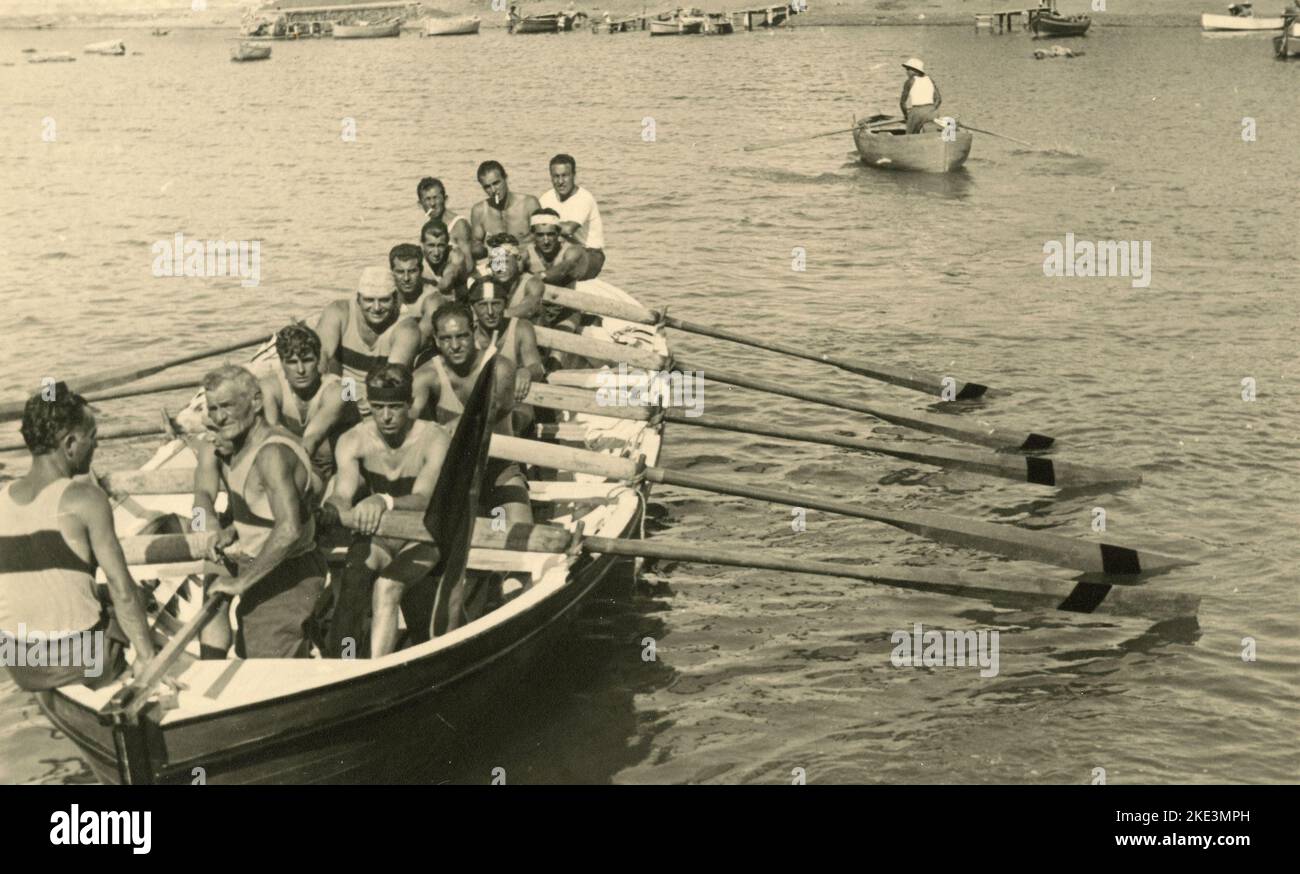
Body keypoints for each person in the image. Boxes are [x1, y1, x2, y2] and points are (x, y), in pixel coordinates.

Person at [0, 385, 157, 691]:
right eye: (93, 436)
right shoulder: (87, 499)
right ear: (70, 443)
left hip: (21, 665)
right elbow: (120, 587)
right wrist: (147, 656)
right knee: (136, 596)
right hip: (85, 663)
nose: (96, 445)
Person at [193, 365, 326, 659]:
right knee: (247, 643)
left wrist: (242, 582)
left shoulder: (271, 454)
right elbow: (201, 498)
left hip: (289, 571)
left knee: (265, 668)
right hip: (261, 560)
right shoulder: (229, 447)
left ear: (255, 402)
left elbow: (289, 529)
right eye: (212, 409)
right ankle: (211, 665)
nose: (218, 418)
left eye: (226, 406)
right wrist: (209, 526)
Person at [322, 364, 450, 658]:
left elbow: (424, 497)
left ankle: (374, 672)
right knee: (353, 581)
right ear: (368, 404)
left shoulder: (434, 438)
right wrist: (330, 509)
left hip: (423, 536)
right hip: (381, 537)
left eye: (395, 407)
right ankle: (344, 660)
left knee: (386, 586)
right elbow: (342, 494)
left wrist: (384, 500)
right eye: (378, 407)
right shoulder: (353, 440)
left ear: (409, 404)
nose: (386, 416)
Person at [411, 305, 532, 604]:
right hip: (455, 479)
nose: (455, 346)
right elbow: (408, 426)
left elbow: (484, 423)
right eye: (447, 338)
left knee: (519, 548)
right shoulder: (426, 376)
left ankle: (511, 584)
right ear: (437, 342)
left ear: (475, 332)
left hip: (499, 474)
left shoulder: (500, 368)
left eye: (462, 336)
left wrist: (441, 429)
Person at [315, 265, 423, 416]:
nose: (376, 308)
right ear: (358, 299)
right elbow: (320, 357)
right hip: (343, 394)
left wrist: (368, 403)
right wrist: (340, 399)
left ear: (395, 299)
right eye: (369, 300)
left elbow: (390, 379)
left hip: (379, 403)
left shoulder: (407, 329)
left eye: (384, 300)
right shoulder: (339, 312)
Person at [259, 324, 354, 482]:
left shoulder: (342, 389)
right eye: (292, 362)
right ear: (281, 362)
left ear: (318, 359)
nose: (301, 370)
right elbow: (267, 436)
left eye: (307, 360)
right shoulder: (269, 387)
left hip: (343, 469)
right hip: (303, 466)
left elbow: (313, 438)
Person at [468, 275, 546, 433]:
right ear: (472, 308)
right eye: (483, 305)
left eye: (496, 304)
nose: (490, 312)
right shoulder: (467, 335)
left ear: (506, 304)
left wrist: (526, 371)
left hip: (515, 408)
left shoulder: (521, 328)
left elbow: (538, 367)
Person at [538, 153, 606, 279]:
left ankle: (549, 275)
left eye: (565, 176)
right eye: (556, 176)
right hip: (561, 248)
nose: (560, 181)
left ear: (574, 175)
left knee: (572, 252)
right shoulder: (546, 198)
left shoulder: (584, 198)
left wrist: (543, 222)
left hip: (590, 253)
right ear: (550, 177)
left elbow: (569, 229)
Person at [469, 160, 541, 261]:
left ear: (505, 178)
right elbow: (475, 245)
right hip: (498, 263)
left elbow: (543, 237)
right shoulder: (479, 210)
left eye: (496, 183)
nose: (493, 190)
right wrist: (487, 249)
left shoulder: (529, 203)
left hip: (527, 261)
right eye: (487, 187)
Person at [522, 208, 591, 289]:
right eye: (540, 235)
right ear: (533, 234)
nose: (546, 241)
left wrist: (540, 276)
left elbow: (563, 268)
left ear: (558, 233)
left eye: (550, 234)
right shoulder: (525, 252)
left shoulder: (573, 250)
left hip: (570, 297)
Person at [418, 219, 472, 311]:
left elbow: (446, 283)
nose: (436, 253)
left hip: (458, 305)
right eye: (431, 245)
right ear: (422, 244)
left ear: (447, 244)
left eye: (440, 246)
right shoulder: (417, 256)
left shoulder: (455, 256)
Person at [416, 177, 472, 261]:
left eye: (436, 198)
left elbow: (469, 263)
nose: (432, 203)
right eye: (427, 199)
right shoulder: (428, 227)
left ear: (445, 199)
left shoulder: (459, 225)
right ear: (420, 204)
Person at [899, 57, 941, 135]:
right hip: (932, 111)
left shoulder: (909, 82)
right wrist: (931, 109)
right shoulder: (930, 80)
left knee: (910, 135)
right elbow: (938, 100)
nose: (906, 72)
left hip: (917, 112)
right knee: (931, 134)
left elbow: (902, 103)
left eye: (908, 69)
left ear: (915, 70)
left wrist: (906, 116)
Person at [389, 243, 426, 316]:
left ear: (421, 270)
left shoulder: (431, 300)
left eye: (412, 271)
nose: (406, 278)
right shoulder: (383, 294)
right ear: (392, 271)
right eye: (400, 272)